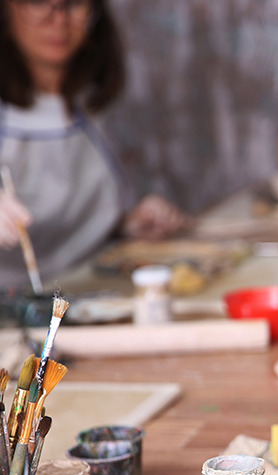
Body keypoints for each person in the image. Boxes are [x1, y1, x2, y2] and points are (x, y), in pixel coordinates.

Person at [0, 0, 189, 289]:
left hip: (84, 297)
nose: (59, 19)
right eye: (37, 2)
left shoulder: (87, 108)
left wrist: (122, 225)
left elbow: (63, 232)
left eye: (74, 3)